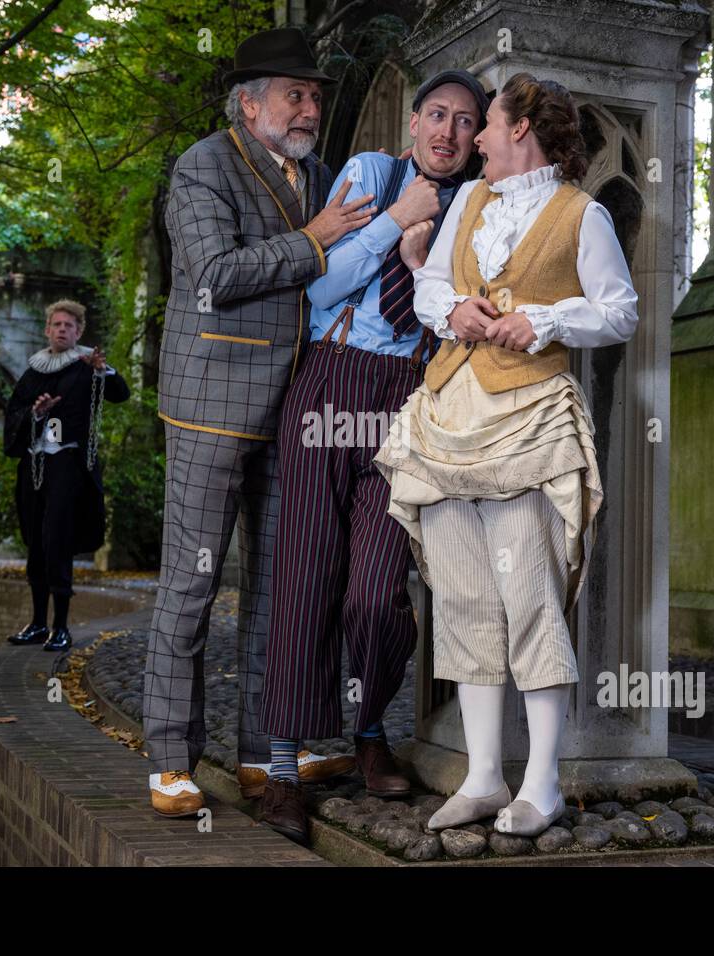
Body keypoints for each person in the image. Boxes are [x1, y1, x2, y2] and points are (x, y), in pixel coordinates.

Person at [373, 73, 640, 838]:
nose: (476, 139)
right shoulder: (468, 203)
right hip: (450, 415)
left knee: (529, 595)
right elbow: (428, 288)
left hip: (528, 421)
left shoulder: (580, 215)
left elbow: (619, 310)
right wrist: (452, 306)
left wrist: (546, 319)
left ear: (520, 126)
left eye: (487, 123)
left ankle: (544, 783)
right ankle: (485, 776)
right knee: (461, 596)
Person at [143, 27, 373, 818]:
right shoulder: (203, 165)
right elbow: (213, 276)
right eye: (294, 94)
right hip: (211, 406)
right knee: (193, 586)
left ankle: (258, 758)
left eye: (314, 96)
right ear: (249, 104)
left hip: (296, 408)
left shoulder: (320, 176)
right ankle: (171, 761)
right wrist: (314, 241)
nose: (309, 108)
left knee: (281, 594)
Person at [256, 70, 490, 844]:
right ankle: (284, 774)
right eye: (436, 115)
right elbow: (321, 291)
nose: (447, 132)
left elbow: (465, 324)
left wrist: (428, 258)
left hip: (409, 399)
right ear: (413, 121)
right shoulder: (370, 175)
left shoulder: (480, 216)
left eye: (465, 121)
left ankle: (368, 729)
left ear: (478, 136)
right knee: (305, 577)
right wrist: (396, 220)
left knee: (377, 591)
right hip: (332, 381)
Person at [4, 300, 131, 652]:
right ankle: (37, 623)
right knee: (35, 541)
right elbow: (13, 414)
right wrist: (36, 413)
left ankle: (60, 626)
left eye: (69, 326)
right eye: (56, 324)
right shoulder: (33, 371)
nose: (62, 329)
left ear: (79, 332)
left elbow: (121, 394)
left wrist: (104, 371)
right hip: (34, 464)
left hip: (67, 464)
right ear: (47, 329)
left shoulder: (88, 365)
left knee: (56, 539)